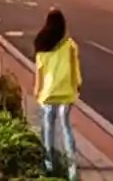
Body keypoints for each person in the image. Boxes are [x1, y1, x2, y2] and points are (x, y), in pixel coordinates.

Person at [33, 9, 82, 177]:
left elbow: (39, 71)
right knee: (66, 126)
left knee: (48, 128)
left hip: (48, 92)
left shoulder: (42, 44)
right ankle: (72, 167)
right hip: (66, 92)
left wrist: (37, 90)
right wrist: (77, 85)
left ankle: (49, 164)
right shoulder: (70, 45)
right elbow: (75, 69)